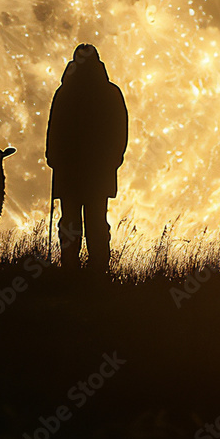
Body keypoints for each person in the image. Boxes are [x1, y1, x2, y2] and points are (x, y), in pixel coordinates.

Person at [46, 44, 128, 271]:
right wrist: (113, 160)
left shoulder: (64, 93)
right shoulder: (110, 93)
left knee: (72, 222)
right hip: (97, 172)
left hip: (71, 171)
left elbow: (54, 130)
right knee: (96, 222)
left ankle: (71, 268)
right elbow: (120, 131)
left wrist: (53, 158)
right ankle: (97, 270)